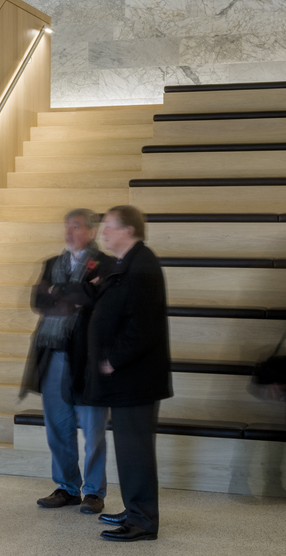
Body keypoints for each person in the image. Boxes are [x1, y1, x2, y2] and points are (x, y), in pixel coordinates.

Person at [83, 205, 172, 543]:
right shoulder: (127, 262)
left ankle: (142, 521)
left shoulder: (142, 265)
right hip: (129, 379)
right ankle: (135, 509)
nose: (103, 232)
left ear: (128, 230)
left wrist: (114, 360)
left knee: (135, 450)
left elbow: (143, 326)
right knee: (129, 449)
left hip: (134, 378)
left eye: (109, 226)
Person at [22, 208, 111, 513]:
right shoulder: (51, 263)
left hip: (86, 357)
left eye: (76, 227)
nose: (69, 232)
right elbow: (38, 301)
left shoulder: (105, 264)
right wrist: (76, 295)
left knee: (93, 429)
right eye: (66, 226)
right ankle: (67, 488)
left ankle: (94, 492)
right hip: (52, 353)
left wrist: (58, 292)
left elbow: (95, 300)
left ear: (91, 231)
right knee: (58, 426)